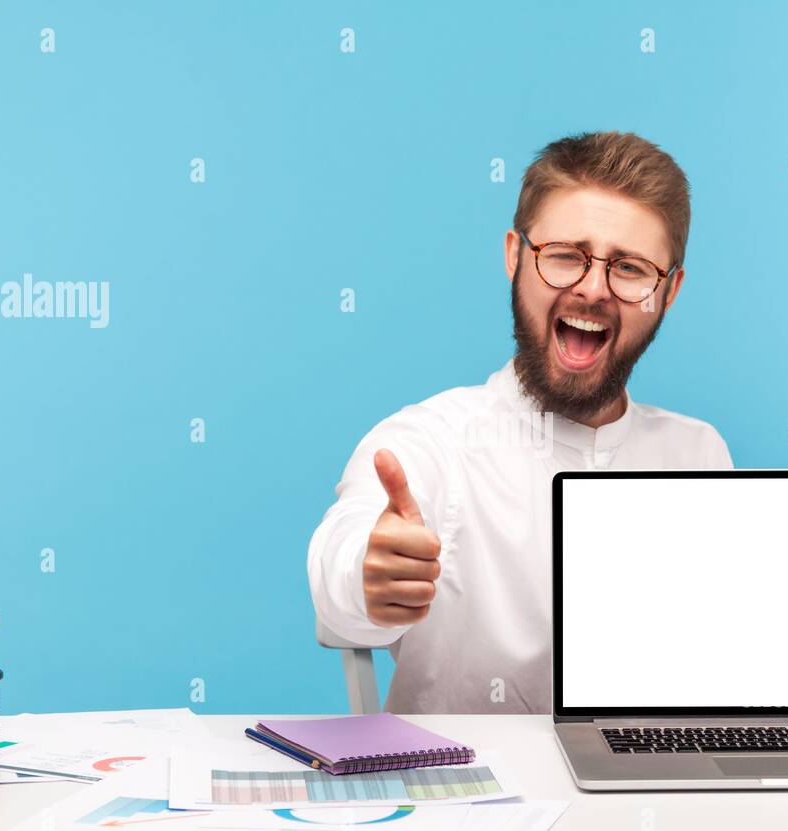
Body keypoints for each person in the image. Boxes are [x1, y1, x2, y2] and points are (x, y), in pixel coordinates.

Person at [308, 131, 734, 713]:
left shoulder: (699, 454)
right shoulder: (428, 442)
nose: (592, 289)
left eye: (630, 268)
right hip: (467, 797)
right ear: (515, 255)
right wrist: (369, 576)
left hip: (656, 796)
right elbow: (344, 558)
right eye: (564, 256)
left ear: (669, 291)